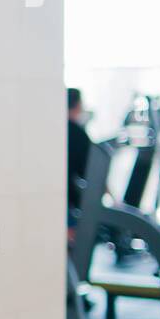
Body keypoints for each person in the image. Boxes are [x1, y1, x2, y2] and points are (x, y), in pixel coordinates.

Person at [67, 88, 91, 236]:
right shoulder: (78, 134)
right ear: (78, 105)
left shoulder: (58, 128)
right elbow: (89, 171)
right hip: (68, 197)